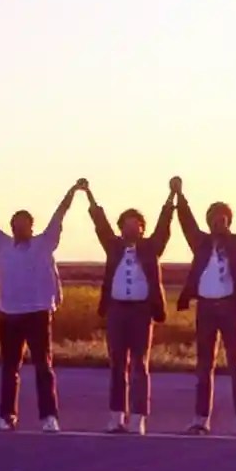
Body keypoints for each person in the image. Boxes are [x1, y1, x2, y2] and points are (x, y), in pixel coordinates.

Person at [0, 180, 81, 433]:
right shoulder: (1, 244)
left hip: (37, 313)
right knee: (9, 368)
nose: (19, 228)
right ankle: (6, 416)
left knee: (43, 367)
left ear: (31, 226)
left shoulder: (44, 243)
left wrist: (73, 190)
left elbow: (60, 214)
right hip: (9, 315)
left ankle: (49, 417)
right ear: (11, 227)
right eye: (16, 225)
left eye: (24, 225)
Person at [174, 174, 236, 437]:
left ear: (228, 222)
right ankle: (201, 419)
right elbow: (186, 221)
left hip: (230, 310)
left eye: (223, 219)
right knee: (204, 365)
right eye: (214, 219)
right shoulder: (200, 243)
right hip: (205, 308)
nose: (218, 222)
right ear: (209, 222)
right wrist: (179, 196)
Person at [84, 180, 174, 435]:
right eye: (128, 223)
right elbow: (99, 224)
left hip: (141, 312)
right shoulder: (113, 247)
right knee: (117, 365)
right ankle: (116, 416)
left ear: (143, 229)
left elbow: (164, 228)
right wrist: (89, 195)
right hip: (116, 311)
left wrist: (171, 198)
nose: (133, 226)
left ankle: (138, 417)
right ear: (121, 227)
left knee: (139, 364)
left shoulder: (151, 248)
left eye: (138, 223)